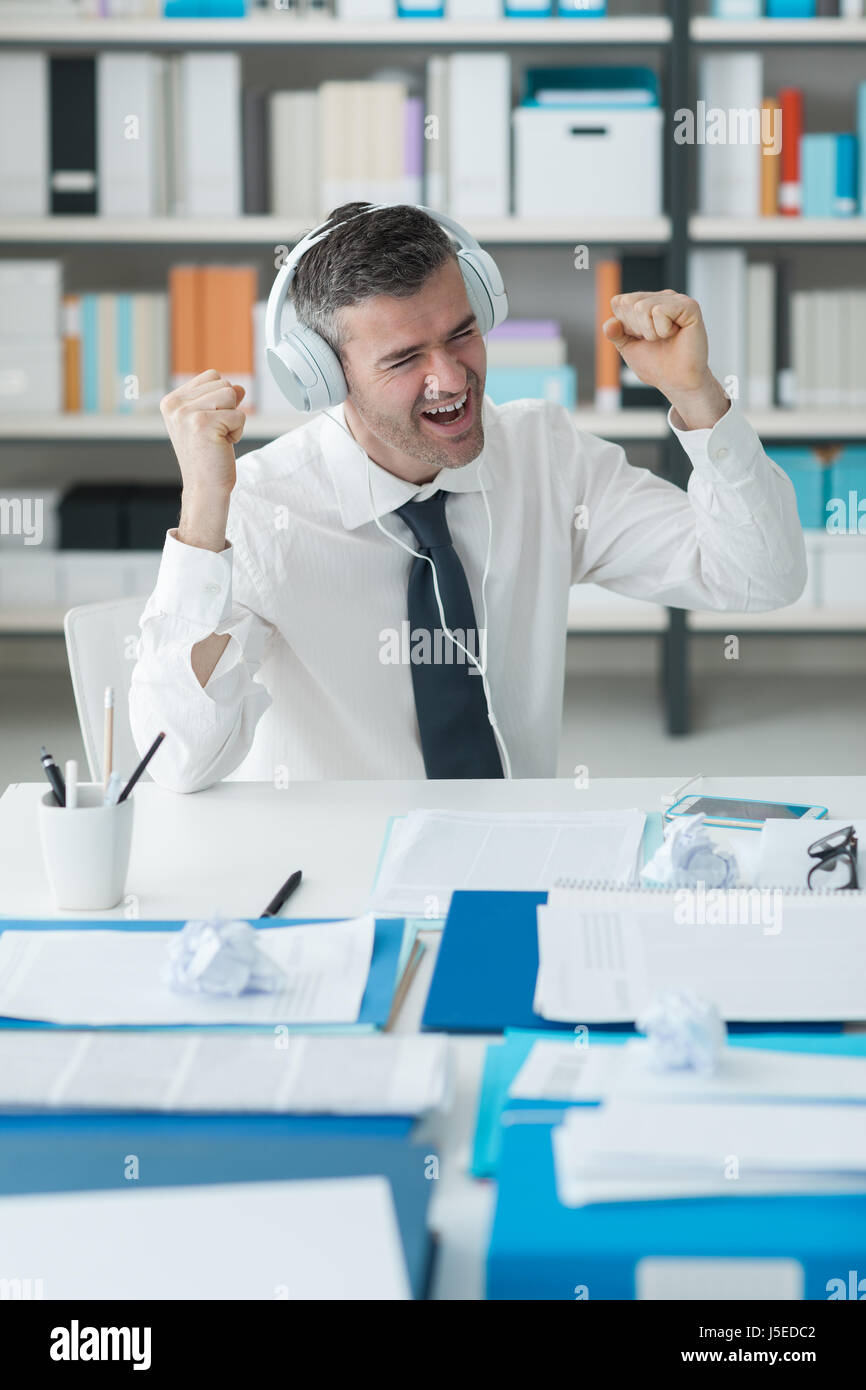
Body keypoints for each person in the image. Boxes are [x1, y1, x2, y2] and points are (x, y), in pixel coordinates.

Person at [130, 202, 806, 789]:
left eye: (462, 334)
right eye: (403, 360)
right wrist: (202, 518)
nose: (450, 379)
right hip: (343, 884)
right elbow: (180, 761)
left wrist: (698, 399)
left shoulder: (545, 457)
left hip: (510, 858)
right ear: (325, 378)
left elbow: (761, 578)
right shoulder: (259, 510)